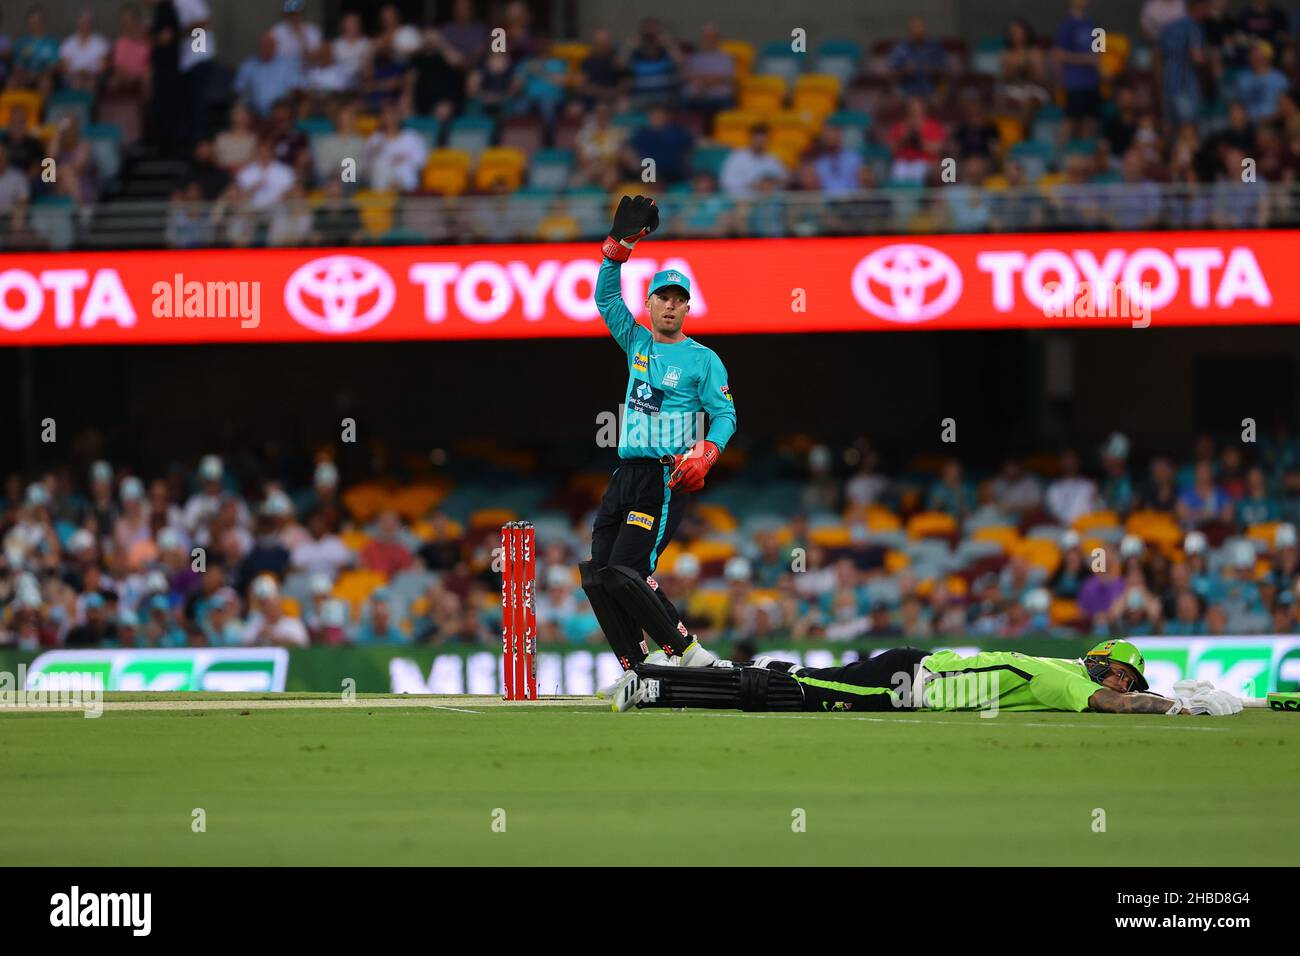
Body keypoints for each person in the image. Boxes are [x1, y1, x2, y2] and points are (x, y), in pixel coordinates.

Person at [582, 194, 736, 674]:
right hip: (625, 472)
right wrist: (619, 245)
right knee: (599, 574)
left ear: (687, 307)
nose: (670, 305)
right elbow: (605, 298)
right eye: (662, 297)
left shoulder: (703, 359)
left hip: (664, 478)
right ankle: (636, 669)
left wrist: (708, 453)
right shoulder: (637, 342)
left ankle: (688, 653)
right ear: (648, 304)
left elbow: (726, 416)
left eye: (678, 299)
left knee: (628, 570)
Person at [604, 639, 1244, 717]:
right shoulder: (1072, 677)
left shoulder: (1062, 671)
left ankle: (658, 682)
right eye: (1126, 673)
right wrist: (1177, 709)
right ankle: (655, 683)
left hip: (912, 679)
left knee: (793, 686)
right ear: (1104, 662)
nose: (1127, 683)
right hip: (909, 682)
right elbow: (1112, 704)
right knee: (789, 693)